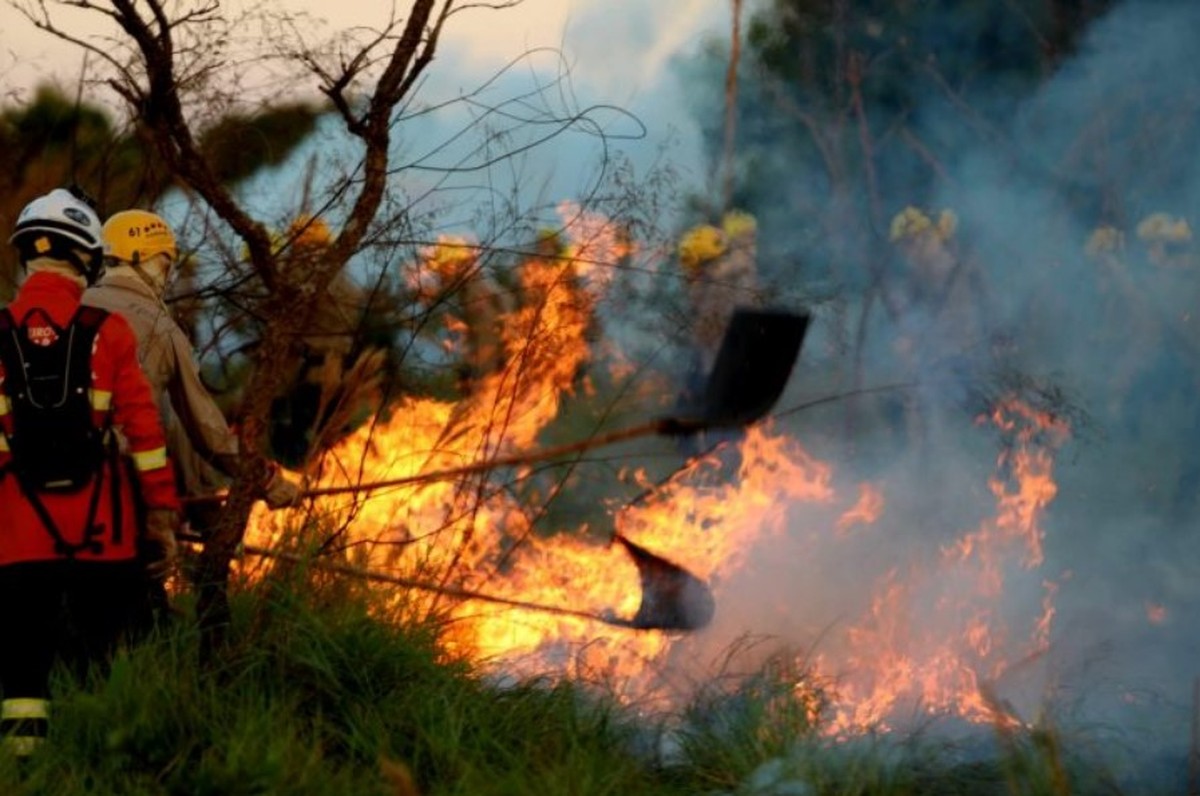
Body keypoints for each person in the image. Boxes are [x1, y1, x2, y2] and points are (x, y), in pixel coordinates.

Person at [0, 188, 181, 758]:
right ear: (87, 258)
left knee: (23, 667)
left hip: (17, 534)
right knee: (106, 655)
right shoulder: (110, 330)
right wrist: (162, 519)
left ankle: (23, 768)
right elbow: (146, 439)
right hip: (104, 532)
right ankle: (106, 759)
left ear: (26, 256)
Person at [83, 209, 301, 532]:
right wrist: (265, 478)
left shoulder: (70, 303)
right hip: (120, 488)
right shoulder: (162, 328)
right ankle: (202, 520)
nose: (167, 276)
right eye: (165, 264)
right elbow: (206, 431)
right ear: (143, 258)